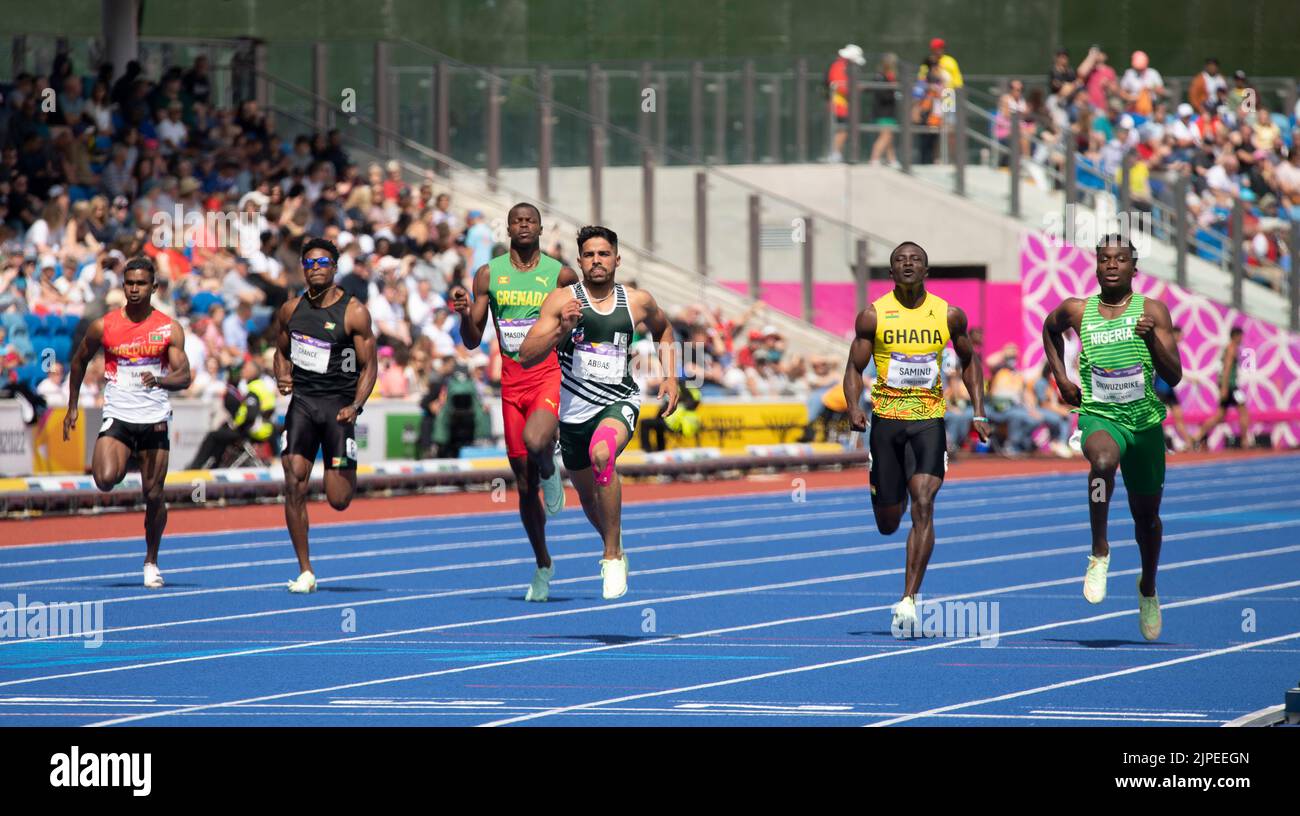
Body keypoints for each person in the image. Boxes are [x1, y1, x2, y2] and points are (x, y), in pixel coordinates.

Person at [519, 225, 678, 600]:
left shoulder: (637, 301)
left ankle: (610, 557)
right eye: (589, 255)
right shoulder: (561, 301)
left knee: (602, 455)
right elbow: (527, 356)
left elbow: (665, 330)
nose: (597, 261)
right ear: (580, 261)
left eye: (603, 254)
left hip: (619, 401)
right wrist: (562, 328)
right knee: (589, 499)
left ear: (617, 259)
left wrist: (671, 377)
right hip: (573, 411)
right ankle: (616, 545)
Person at [843, 241, 989, 634]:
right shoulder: (873, 316)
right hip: (887, 423)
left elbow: (969, 361)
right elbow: (854, 367)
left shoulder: (948, 315)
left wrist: (977, 410)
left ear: (927, 271)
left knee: (924, 501)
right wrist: (854, 406)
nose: (908, 264)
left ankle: (908, 598)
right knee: (889, 522)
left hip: (928, 421)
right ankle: (890, 490)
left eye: (916, 260)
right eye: (900, 261)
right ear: (891, 273)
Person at [1041, 235, 1180, 641]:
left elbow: (1174, 375)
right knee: (1101, 463)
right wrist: (1062, 379)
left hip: (1144, 424)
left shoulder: (1152, 311)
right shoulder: (1077, 310)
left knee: (1147, 520)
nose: (1112, 265)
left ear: (1134, 268)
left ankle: (1148, 587)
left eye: (1121, 259)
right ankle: (1099, 551)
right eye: (1105, 259)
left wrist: (1152, 339)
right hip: (1101, 416)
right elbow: (1049, 331)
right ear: (1096, 266)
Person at [449, 203, 579, 602]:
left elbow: (579, 328)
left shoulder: (560, 274)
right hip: (511, 385)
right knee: (522, 486)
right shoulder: (489, 274)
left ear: (540, 228)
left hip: (547, 375)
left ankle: (549, 465)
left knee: (538, 442)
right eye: (517, 221)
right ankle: (543, 564)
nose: (524, 225)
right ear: (507, 229)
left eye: (530, 220)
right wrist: (463, 314)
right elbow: (472, 340)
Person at [63, 256, 192, 588]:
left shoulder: (168, 328)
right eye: (129, 283)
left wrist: (161, 381)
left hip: (154, 420)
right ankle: (126, 457)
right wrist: (72, 406)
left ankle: (151, 560)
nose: (134, 289)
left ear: (154, 287)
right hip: (119, 416)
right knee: (105, 479)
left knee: (153, 493)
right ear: (123, 286)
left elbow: (184, 375)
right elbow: (78, 362)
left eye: (141, 283)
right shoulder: (103, 325)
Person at [272, 237, 378, 593]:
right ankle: (305, 571)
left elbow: (369, 367)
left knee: (339, 499)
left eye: (323, 263)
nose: (316, 269)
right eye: (310, 264)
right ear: (303, 268)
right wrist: (282, 376)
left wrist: (356, 405)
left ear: (334, 268)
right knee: (293, 480)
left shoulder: (354, 312)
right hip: (302, 403)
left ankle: (342, 465)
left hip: (338, 410)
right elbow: (281, 351)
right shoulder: (290, 310)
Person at [1193, 326, 1251, 449]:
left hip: (1229, 386)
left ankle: (1197, 436)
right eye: (1240, 336)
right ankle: (1245, 441)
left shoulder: (1230, 348)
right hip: (1231, 387)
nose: (1242, 339)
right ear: (1235, 336)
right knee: (1243, 412)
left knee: (1219, 416)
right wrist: (1224, 388)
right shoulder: (1231, 348)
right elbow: (1227, 368)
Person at [827, 44, 867, 163]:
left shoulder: (842, 65)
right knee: (842, 129)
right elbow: (839, 84)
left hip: (842, 104)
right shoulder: (839, 66)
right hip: (839, 104)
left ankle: (836, 153)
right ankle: (835, 153)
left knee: (842, 129)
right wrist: (854, 88)